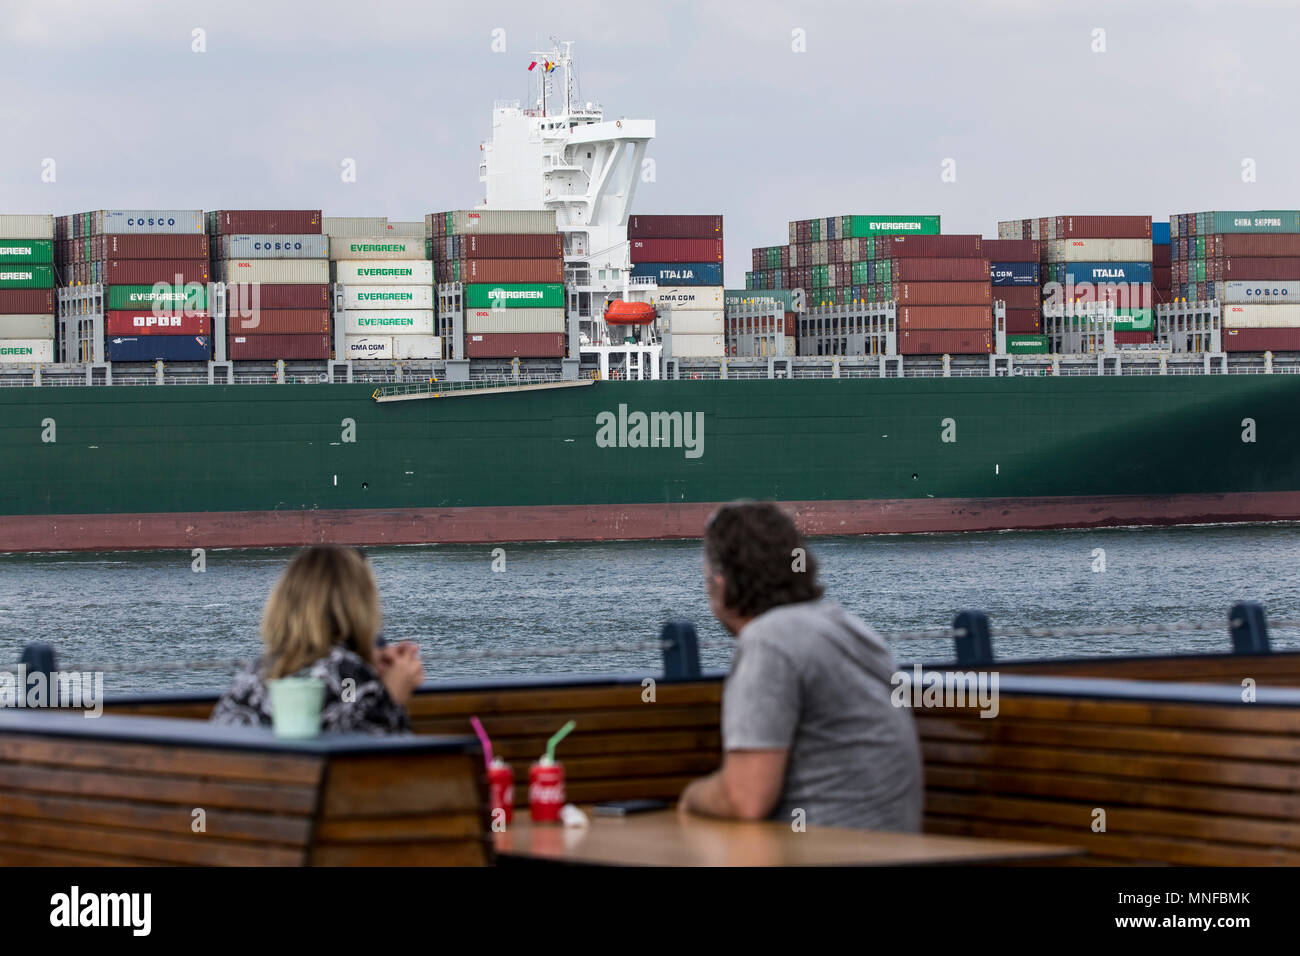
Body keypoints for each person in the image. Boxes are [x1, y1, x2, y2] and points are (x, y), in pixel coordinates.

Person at [679, 502, 923, 830]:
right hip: (894, 844)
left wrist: (690, 797)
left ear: (721, 584)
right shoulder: (849, 627)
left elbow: (745, 798)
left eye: (707, 578)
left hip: (828, 847)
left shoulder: (769, 641)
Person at [212, 545, 424, 733]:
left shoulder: (254, 673)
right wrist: (394, 694)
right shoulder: (348, 672)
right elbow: (379, 758)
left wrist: (367, 660)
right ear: (358, 607)